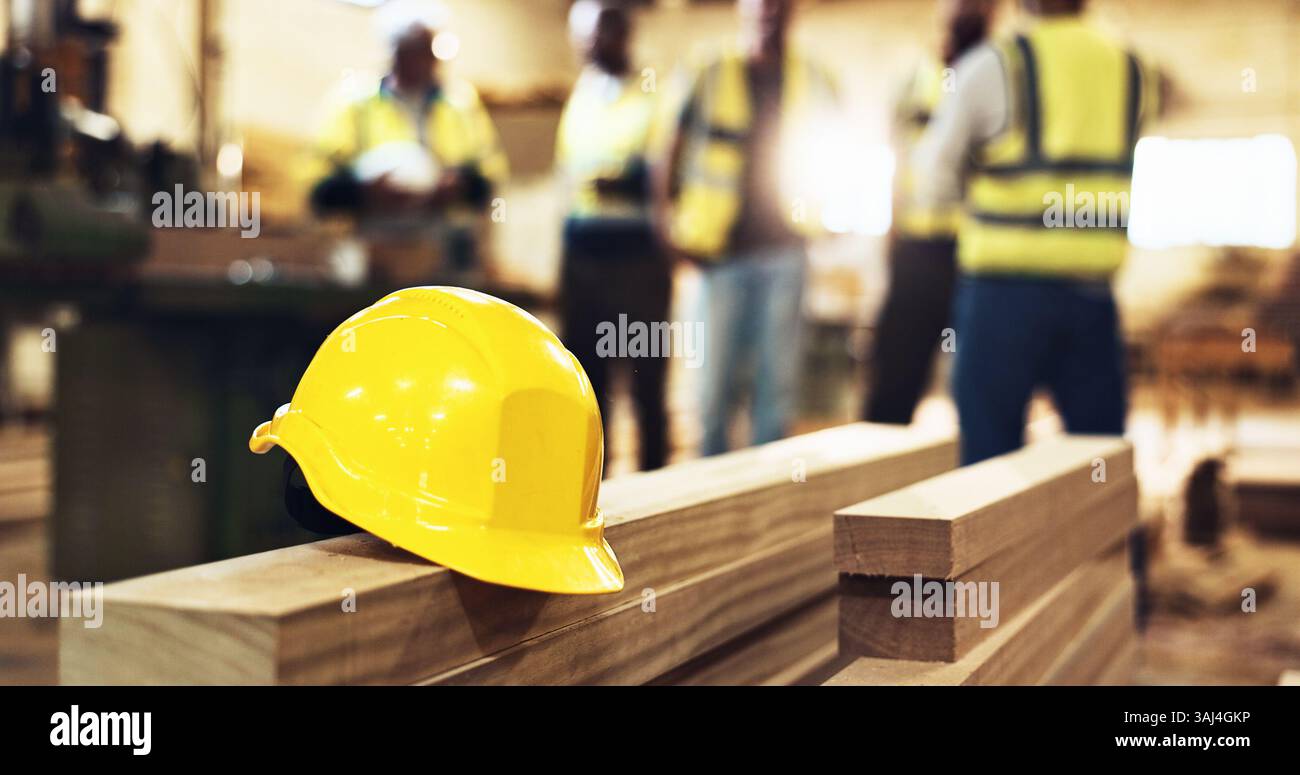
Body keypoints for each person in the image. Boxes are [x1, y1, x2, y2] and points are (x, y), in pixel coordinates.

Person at [911, 0, 1160, 464]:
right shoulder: (1132, 67)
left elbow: (932, 183)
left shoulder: (995, 63)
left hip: (1002, 299)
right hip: (1092, 298)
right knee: (1099, 464)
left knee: (989, 465)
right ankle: (1113, 539)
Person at [656, 0, 837, 456]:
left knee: (776, 391)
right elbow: (667, 152)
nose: (769, 13)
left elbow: (837, 153)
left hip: (785, 251)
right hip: (721, 255)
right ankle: (713, 493)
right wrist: (667, 225)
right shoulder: (707, 70)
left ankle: (766, 497)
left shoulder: (815, 77)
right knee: (711, 391)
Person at [863, 0, 995, 425]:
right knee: (894, 385)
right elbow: (894, 168)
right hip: (917, 251)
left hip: (979, 254)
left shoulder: (1001, 78)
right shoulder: (913, 81)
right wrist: (890, 244)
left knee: (981, 390)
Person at [305, 1, 507, 279]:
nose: (420, 60)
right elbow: (318, 189)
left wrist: (457, 186)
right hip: (373, 256)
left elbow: (487, 179)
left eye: (425, 50)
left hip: (442, 255)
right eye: (410, 50)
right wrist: (363, 192)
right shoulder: (353, 105)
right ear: (393, 51)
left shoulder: (460, 104)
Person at [556, 1, 670, 473]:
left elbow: (663, 174)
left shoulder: (651, 97)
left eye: (596, 34)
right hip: (583, 262)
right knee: (586, 389)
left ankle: (656, 491)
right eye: (579, 36)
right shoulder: (582, 95)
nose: (586, 45)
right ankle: (593, 497)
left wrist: (620, 180)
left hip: (637, 264)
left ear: (622, 34)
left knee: (644, 384)